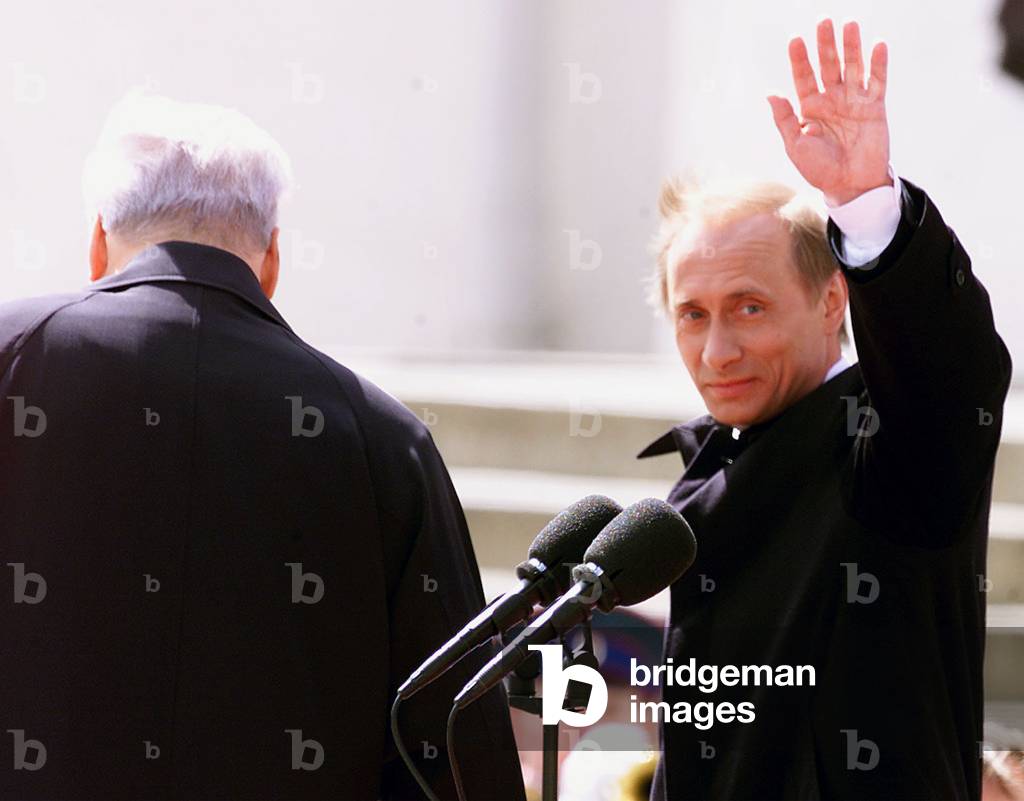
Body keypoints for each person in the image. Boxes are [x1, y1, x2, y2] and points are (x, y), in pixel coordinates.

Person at [0, 92, 525, 801]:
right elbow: (454, 737)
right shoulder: (382, 437)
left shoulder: (10, 359)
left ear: (98, 242)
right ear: (271, 259)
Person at [638, 19, 1012, 800]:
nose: (717, 351)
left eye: (749, 307)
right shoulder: (707, 472)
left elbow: (952, 367)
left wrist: (865, 203)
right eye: (693, 314)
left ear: (831, 299)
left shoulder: (886, 447)